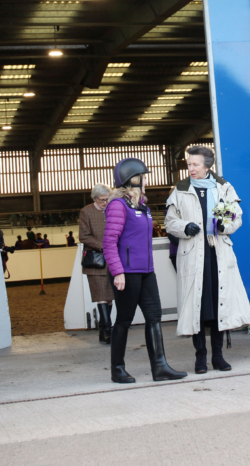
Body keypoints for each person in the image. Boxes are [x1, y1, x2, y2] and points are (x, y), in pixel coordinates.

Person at [165, 146, 250, 374]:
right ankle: (200, 357)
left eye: (195, 164)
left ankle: (218, 356)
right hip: (193, 254)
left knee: (218, 304)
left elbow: (235, 215)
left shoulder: (223, 188)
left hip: (218, 253)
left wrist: (224, 225)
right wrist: (185, 226)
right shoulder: (181, 189)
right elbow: (170, 222)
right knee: (198, 307)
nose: (191, 168)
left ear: (207, 166)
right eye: (189, 164)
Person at [103, 158, 186, 384]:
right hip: (126, 272)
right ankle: (117, 369)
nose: (146, 181)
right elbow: (109, 241)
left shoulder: (142, 206)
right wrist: (117, 272)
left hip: (145, 271)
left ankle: (160, 367)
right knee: (124, 319)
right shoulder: (117, 206)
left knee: (154, 316)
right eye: (143, 177)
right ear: (132, 179)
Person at [79, 184, 114, 344]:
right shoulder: (86, 212)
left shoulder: (112, 209)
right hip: (96, 260)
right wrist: (102, 246)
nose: (105, 203)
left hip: (113, 259)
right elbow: (84, 236)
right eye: (102, 200)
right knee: (101, 296)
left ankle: (104, 330)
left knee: (110, 296)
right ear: (94, 198)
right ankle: (107, 329)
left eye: (107, 200)